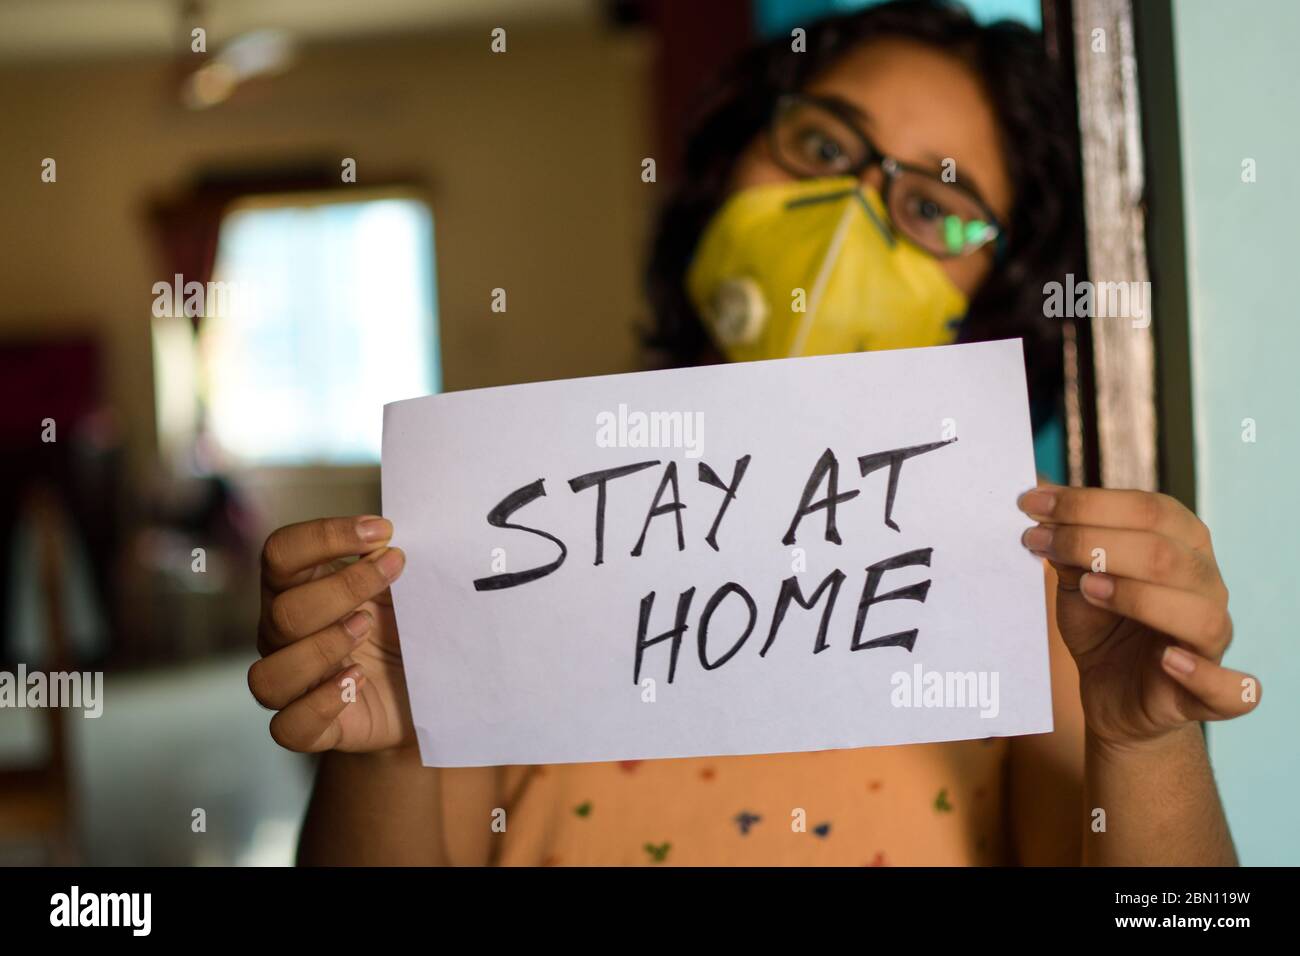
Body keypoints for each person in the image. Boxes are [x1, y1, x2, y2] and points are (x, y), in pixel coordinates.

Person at [247, 0, 1258, 865]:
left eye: (931, 206)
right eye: (821, 147)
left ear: (989, 296)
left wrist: (1144, 747)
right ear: (731, 160)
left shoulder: (1047, 608)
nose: (848, 219)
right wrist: (377, 749)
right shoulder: (511, 539)